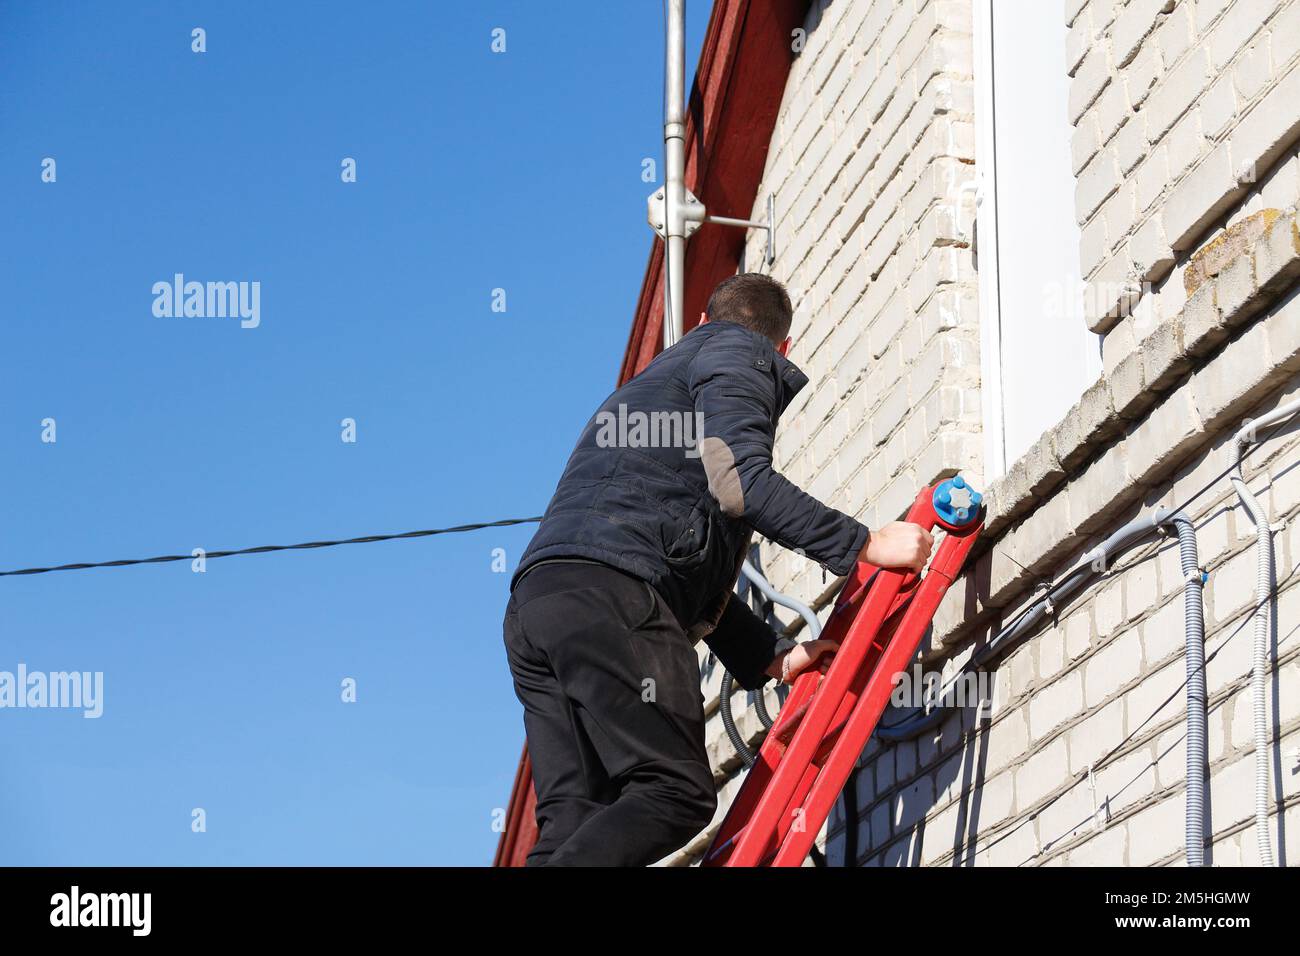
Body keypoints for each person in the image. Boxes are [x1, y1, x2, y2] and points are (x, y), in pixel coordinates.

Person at [503, 273, 933, 866]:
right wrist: (863, 543)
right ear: (780, 349)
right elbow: (740, 484)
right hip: (615, 593)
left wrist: (770, 656)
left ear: (700, 320)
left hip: (538, 605)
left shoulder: (646, 390)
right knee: (673, 791)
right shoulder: (738, 354)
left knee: (572, 820)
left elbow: (679, 548)